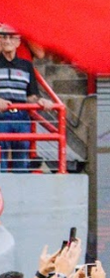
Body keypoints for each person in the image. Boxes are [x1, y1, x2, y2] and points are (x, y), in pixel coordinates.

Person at [0, 25, 54, 171]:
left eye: (11, 37)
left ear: (18, 41)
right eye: (4, 37)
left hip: (21, 116)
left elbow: (32, 95)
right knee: (1, 164)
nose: (7, 41)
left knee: (21, 161)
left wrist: (41, 101)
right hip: (1, 117)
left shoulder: (26, 66)